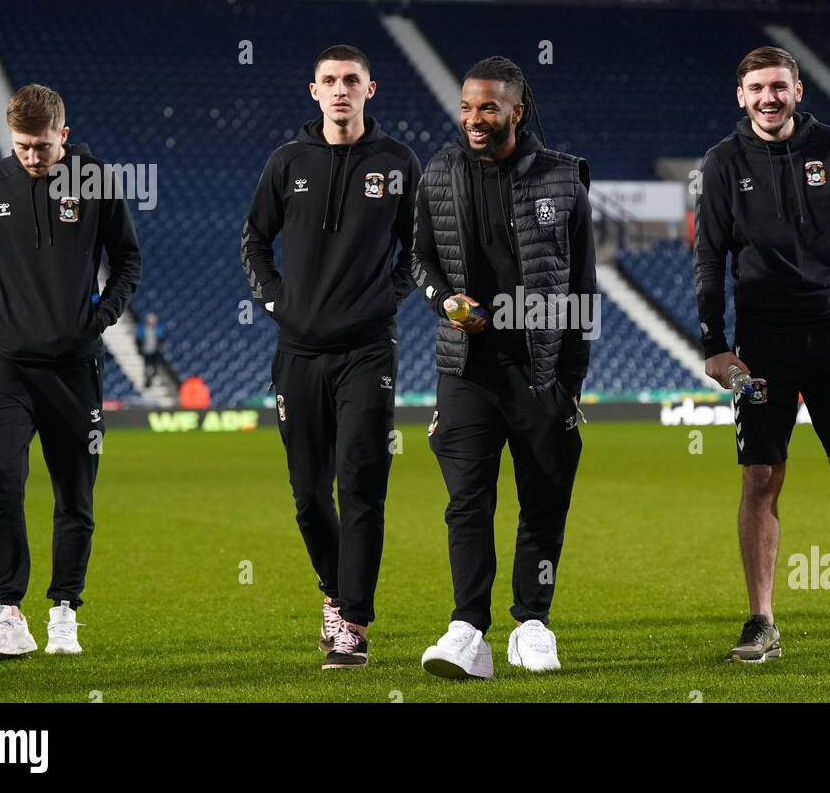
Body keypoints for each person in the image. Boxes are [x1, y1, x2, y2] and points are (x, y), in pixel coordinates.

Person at [694, 46, 830, 662]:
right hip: (761, 344)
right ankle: (762, 622)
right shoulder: (723, 162)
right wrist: (715, 346)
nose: (768, 97)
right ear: (741, 96)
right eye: (756, 88)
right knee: (758, 477)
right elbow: (708, 260)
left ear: (797, 91)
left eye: (778, 86)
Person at [412, 56, 595, 679]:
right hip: (466, 368)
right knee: (468, 501)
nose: (473, 118)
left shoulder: (564, 178)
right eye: (466, 107)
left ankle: (533, 623)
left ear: (517, 109)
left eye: (487, 107)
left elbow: (582, 289)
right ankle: (467, 629)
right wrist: (444, 301)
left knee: (543, 502)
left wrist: (571, 384)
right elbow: (420, 260)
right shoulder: (439, 171)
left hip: (540, 371)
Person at [240, 44, 419, 670]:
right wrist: (275, 302)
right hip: (297, 351)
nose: (340, 90)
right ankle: (333, 593)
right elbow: (254, 239)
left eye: (351, 81)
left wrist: (384, 300)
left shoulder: (397, 162)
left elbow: (417, 250)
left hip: (369, 352)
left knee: (362, 488)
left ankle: (354, 624)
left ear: (371, 89)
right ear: (312, 92)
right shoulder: (287, 162)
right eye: (329, 81)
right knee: (309, 495)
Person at [0, 83, 141, 661]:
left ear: (62, 134)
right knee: (2, 480)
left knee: (74, 496)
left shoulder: (96, 179)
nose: (31, 158)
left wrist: (102, 317)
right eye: (21, 147)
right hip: (8, 367)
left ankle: (64, 611)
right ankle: (6, 612)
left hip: (75, 368)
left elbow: (128, 258)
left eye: (40, 146)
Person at [136, 311, 165, 388]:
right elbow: (138, 340)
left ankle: (152, 378)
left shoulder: (157, 329)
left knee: (154, 366)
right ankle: (148, 381)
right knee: (148, 367)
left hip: (154, 351)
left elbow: (161, 339)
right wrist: (140, 348)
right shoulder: (142, 329)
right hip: (146, 351)